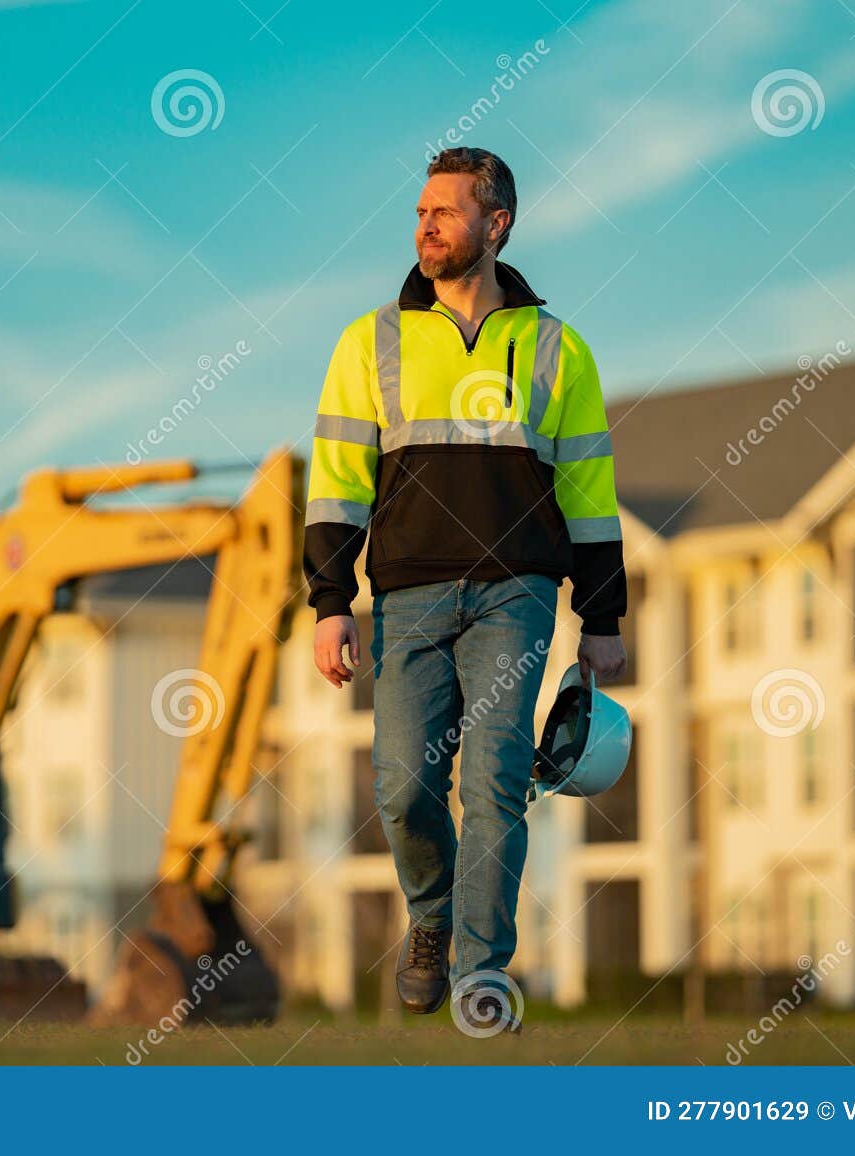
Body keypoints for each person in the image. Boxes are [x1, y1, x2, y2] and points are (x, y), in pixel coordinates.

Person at [301, 147, 627, 1033]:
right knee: (403, 787)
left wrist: (603, 615)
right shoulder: (370, 342)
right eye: (420, 212)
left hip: (514, 594)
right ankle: (432, 919)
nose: (425, 226)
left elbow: (589, 492)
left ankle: (483, 975)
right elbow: (336, 479)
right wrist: (331, 602)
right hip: (406, 596)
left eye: (445, 211)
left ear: (498, 224)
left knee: (493, 780)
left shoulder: (558, 348)